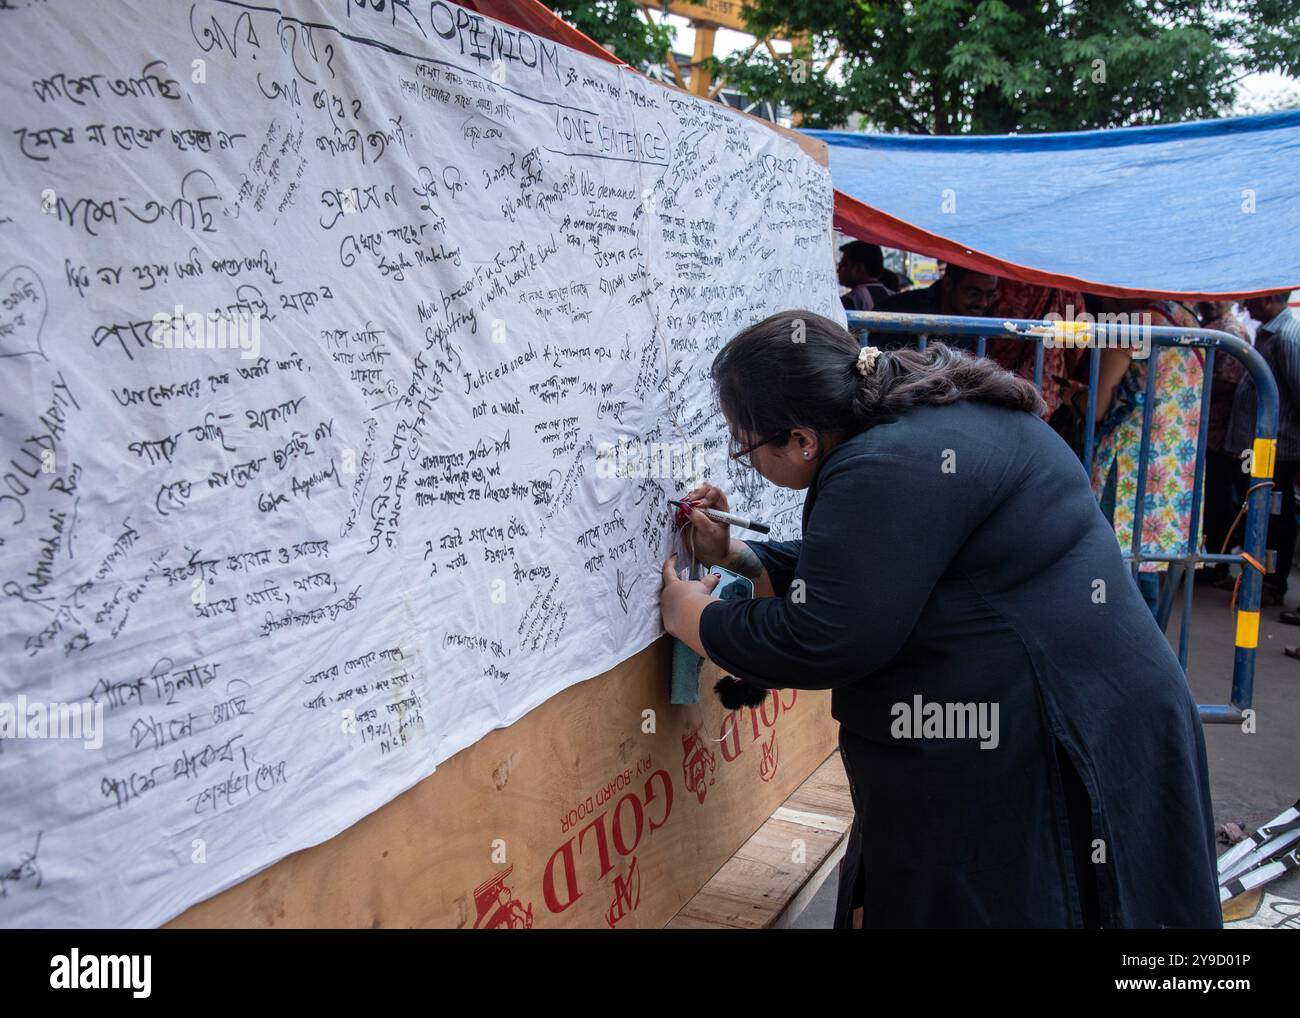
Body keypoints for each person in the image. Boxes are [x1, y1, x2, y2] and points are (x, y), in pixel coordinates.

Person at [658, 310, 1221, 929]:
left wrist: (696, 617)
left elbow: (826, 635)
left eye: (747, 447)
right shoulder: (926, 413)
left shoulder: (885, 463)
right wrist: (739, 554)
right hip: (1092, 705)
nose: (749, 462)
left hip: (1050, 730)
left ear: (800, 440)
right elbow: (879, 570)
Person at [1088, 298, 1204, 615]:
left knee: (1118, 567)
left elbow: (1097, 406)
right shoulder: (1189, 319)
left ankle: (1127, 656)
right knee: (1146, 566)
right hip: (1177, 465)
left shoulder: (1136, 322)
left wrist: (1074, 395)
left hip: (1130, 462)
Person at [1224, 289, 1300, 613]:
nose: (1244, 304)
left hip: (1278, 448)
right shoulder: (1269, 333)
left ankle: (1270, 582)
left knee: (1274, 514)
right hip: (1253, 446)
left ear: (1269, 299)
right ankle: (1253, 576)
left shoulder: (1286, 337)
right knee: (1253, 506)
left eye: (1252, 298)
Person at [1196, 301, 1250, 584]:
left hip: (1219, 435)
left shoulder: (1230, 330)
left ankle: (1217, 562)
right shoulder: (1208, 326)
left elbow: (1228, 381)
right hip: (1204, 431)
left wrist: (1192, 385)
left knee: (1219, 499)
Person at [870, 264, 999, 350]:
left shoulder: (990, 323)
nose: (983, 303)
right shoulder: (897, 311)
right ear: (948, 284)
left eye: (990, 295)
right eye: (973, 293)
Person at [837, 240, 893, 312]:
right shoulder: (894, 297)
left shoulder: (850, 301)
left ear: (859, 269)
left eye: (843, 265)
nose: (838, 270)